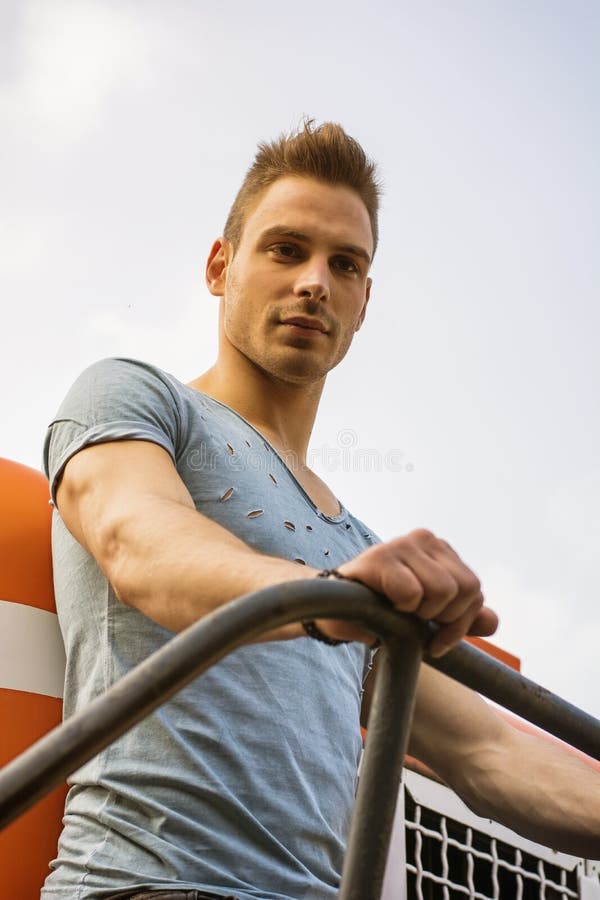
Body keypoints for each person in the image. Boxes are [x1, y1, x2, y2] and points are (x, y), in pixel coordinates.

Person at [41, 121, 599, 900]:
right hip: (148, 885)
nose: (314, 282)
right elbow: (141, 546)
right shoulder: (136, 397)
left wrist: (341, 595)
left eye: (345, 264)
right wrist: (327, 600)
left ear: (364, 302)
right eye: (286, 249)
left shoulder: (354, 550)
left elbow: (488, 754)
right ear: (220, 266)